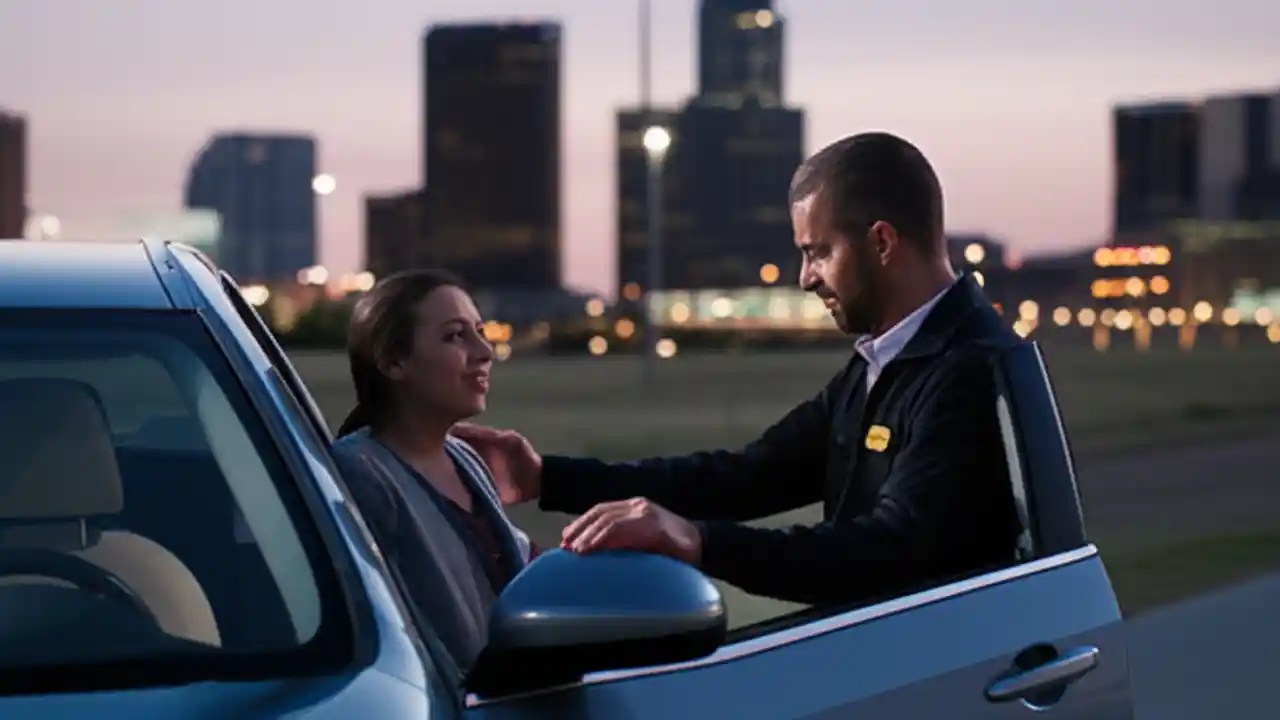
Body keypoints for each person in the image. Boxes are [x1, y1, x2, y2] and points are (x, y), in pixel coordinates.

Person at [455, 131, 1022, 608]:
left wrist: (698, 542)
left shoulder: (967, 370)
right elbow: (747, 475)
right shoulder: (888, 360)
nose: (805, 277)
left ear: (880, 242)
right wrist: (546, 477)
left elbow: (886, 552)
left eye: (818, 251)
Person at [330, 269, 535, 674]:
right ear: (393, 361)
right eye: (455, 336)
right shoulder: (362, 477)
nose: (484, 351)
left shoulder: (464, 458)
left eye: (480, 331)